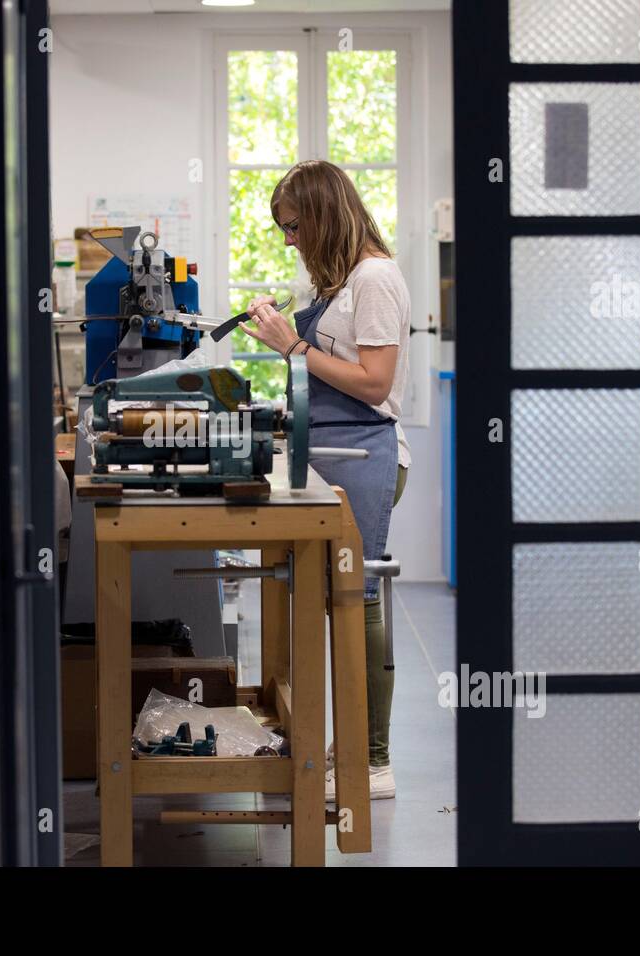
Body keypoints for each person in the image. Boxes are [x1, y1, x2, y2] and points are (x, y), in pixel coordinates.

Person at [240, 159, 410, 801]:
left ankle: (375, 762)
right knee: (338, 600)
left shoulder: (375, 279)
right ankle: (348, 742)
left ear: (320, 216)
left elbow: (374, 382)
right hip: (337, 461)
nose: (288, 239)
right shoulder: (346, 284)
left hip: (367, 460)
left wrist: (292, 346)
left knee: (359, 597)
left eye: (292, 226)